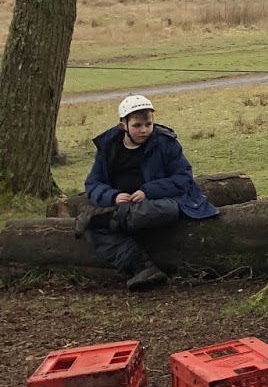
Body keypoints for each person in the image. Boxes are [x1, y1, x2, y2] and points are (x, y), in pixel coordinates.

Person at [75, 95, 219, 290]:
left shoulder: (166, 143)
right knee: (91, 231)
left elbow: (183, 178)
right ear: (123, 125)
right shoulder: (108, 146)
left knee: (161, 210)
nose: (144, 130)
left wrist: (148, 191)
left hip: (162, 202)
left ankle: (106, 218)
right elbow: (93, 182)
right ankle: (142, 268)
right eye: (137, 125)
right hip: (122, 204)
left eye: (148, 124)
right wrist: (113, 196)